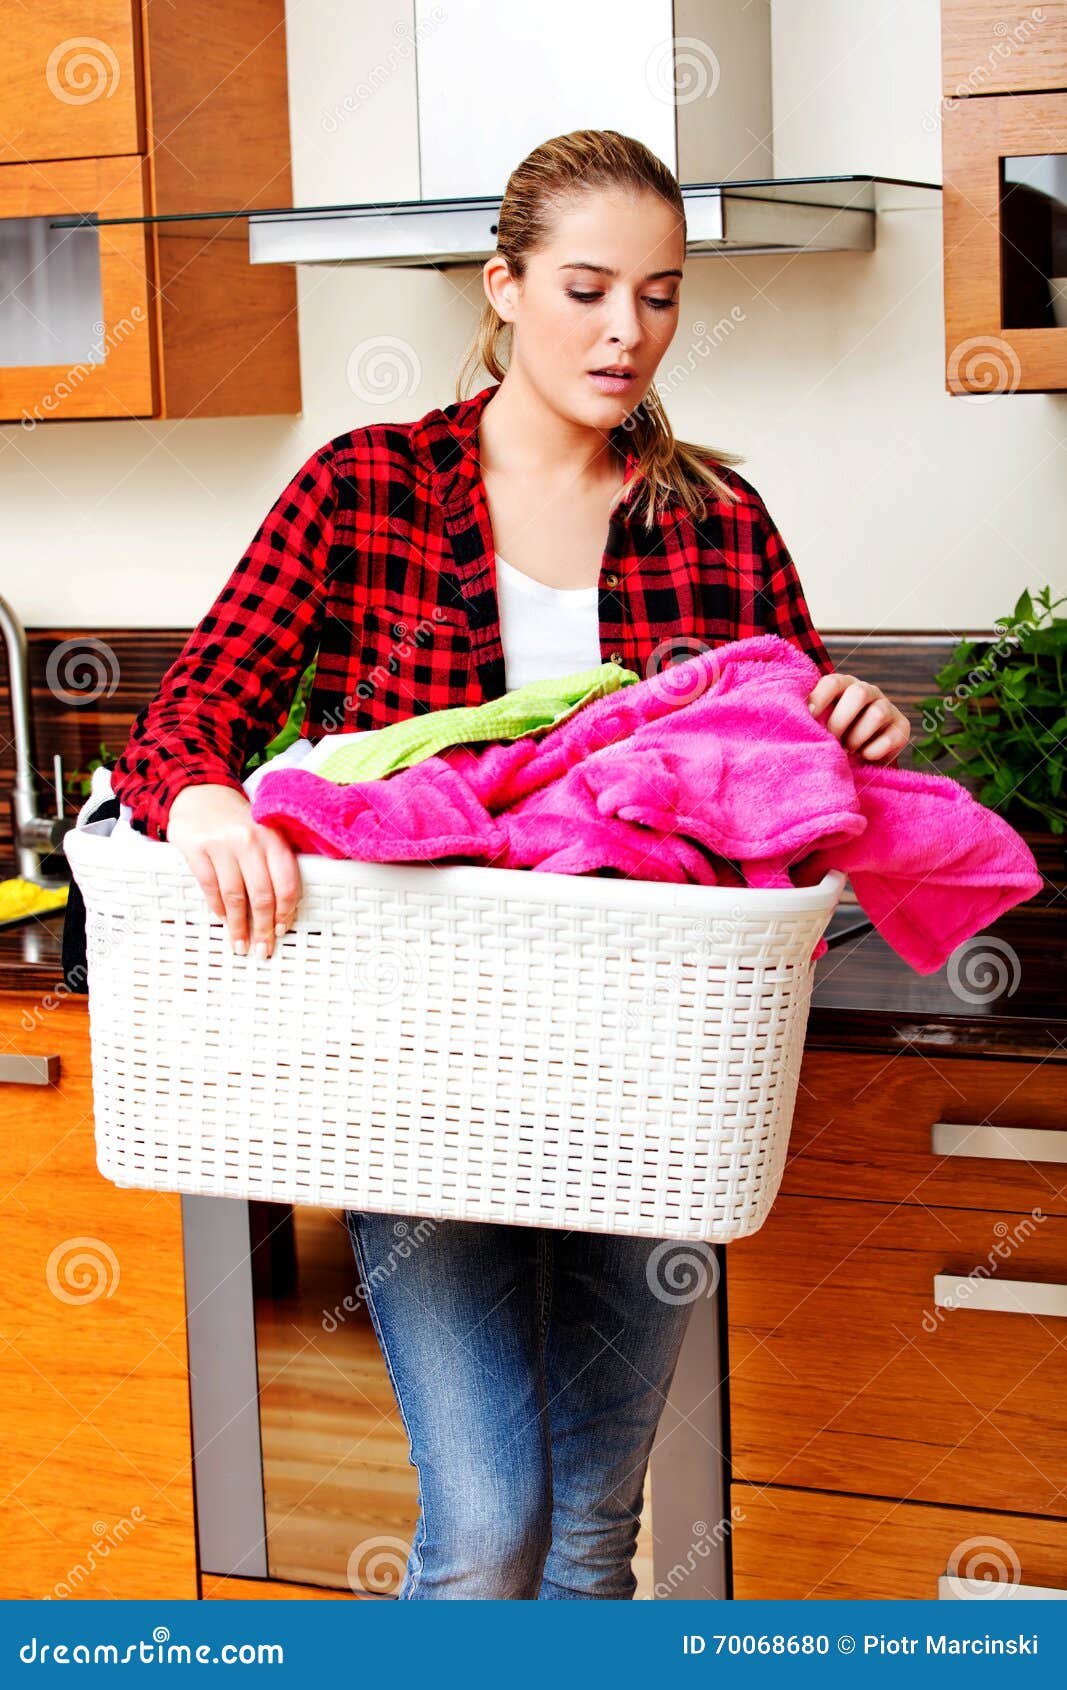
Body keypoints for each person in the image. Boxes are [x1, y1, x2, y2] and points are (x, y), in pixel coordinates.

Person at [111, 129, 910, 1599]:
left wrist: (854, 728)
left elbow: (787, 778)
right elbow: (188, 713)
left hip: (655, 1075)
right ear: (504, 285)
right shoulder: (364, 490)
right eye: (590, 288)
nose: (628, 332)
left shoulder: (717, 519)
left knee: (598, 1529)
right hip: (430, 1061)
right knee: (487, 1527)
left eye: (661, 295)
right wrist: (207, 802)